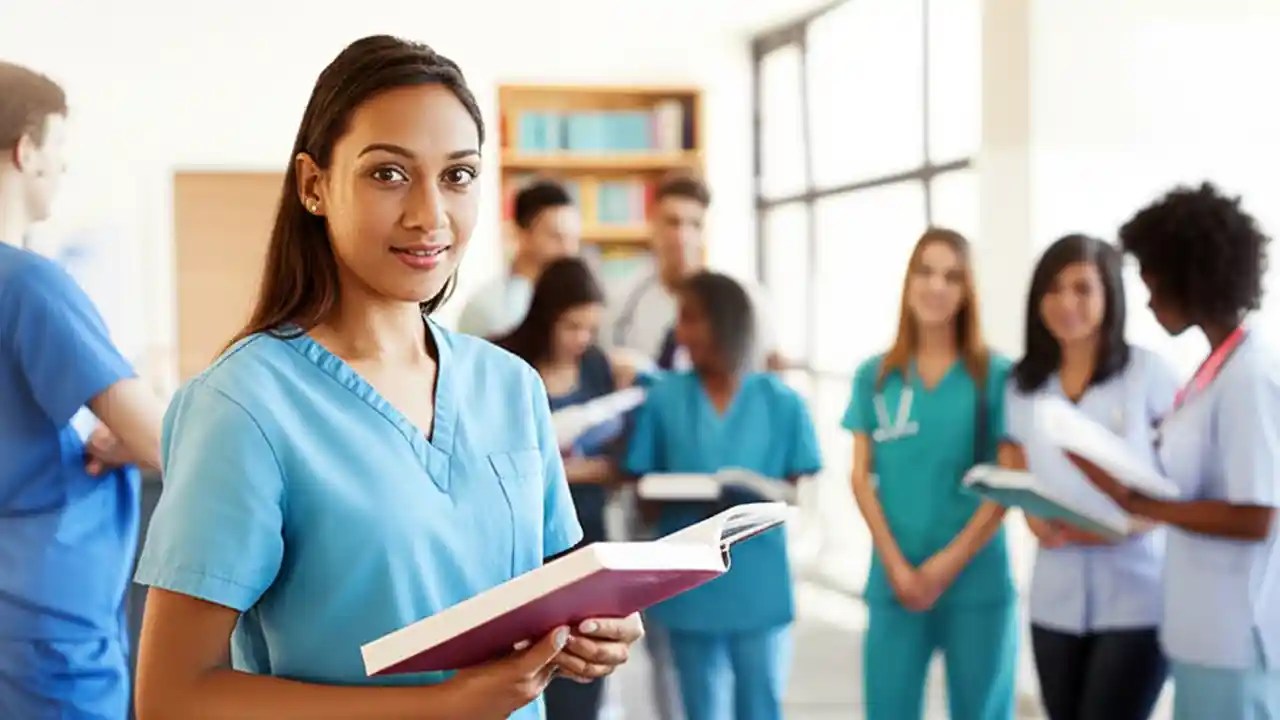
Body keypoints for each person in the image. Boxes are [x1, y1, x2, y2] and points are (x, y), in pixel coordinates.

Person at [130, 36, 642, 720]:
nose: (429, 215)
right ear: (315, 186)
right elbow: (172, 696)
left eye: (457, 175)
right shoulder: (244, 405)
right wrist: (446, 707)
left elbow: (550, 589)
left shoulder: (510, 386)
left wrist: (599, 628)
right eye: (388, 174)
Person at [1070, 183, 1280, 720]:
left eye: (1152, 278)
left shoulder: (1249, 378)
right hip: (1200, 629)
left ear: (1191, 276)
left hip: (1233, 636)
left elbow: (1258, 516)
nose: (1145, 295)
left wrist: (1143, 504)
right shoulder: (1217, 370)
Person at [0, 61, 164, 719]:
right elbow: (163, 441)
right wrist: (127, 440)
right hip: (46, 633)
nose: (63, 168)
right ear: (26, 150)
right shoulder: (29, 284)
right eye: (59, 148)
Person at [624, 271, 821, 720]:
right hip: (690, 576)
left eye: (692, 319)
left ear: (728, 323)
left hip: (759, 576)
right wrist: (664, 491)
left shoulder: (781, 401)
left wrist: (756, 491)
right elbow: (641, 493)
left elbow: (796, 491)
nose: (682, 333)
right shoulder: (663, 398)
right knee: (698, 706)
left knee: (762, 701)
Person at [842, 228, 1017, 720]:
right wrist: (899, 567)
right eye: (926, 271)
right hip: (895, 577)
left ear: (968, 292)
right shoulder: (874, 376)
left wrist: (944, 567)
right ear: (908, 280)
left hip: (975, 579)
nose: (936, 286)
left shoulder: (995, 376)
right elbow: (860, 478)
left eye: (952, 276)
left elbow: (1005, 486)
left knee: (982, 712)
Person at [1000, 234, 1177, 720]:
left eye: (1082, 289)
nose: (1066, 303)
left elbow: (1182, 485)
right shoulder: (1022, 384)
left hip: (1136, 598)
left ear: (1109, 296)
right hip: (1054, 600)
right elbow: (1014, 463)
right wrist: (1035, 520)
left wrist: (1123, 526)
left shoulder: (1149, 374)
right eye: (1053, 289)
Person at [495, 256, 640, 720]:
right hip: (524, 545)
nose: (582, 339)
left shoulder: (596, 366)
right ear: (545, 318)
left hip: (586, 537)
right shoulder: (503, 365)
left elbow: (617, 456)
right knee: (521, 673)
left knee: (582, 667)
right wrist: (566, 470)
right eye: (572, 326)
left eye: (590, 328)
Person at [606, 174, 782, 372]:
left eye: (695, 224)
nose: (682, 236)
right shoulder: (622, 302)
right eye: (673, 222)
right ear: (653, 225)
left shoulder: (748, 300)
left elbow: (769, 372)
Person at [457, 179, 581, 338]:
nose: (568, 250)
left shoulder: (578, 304)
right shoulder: (488, 309)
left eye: (574, 239)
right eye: (556, 237)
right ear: (521, 234)